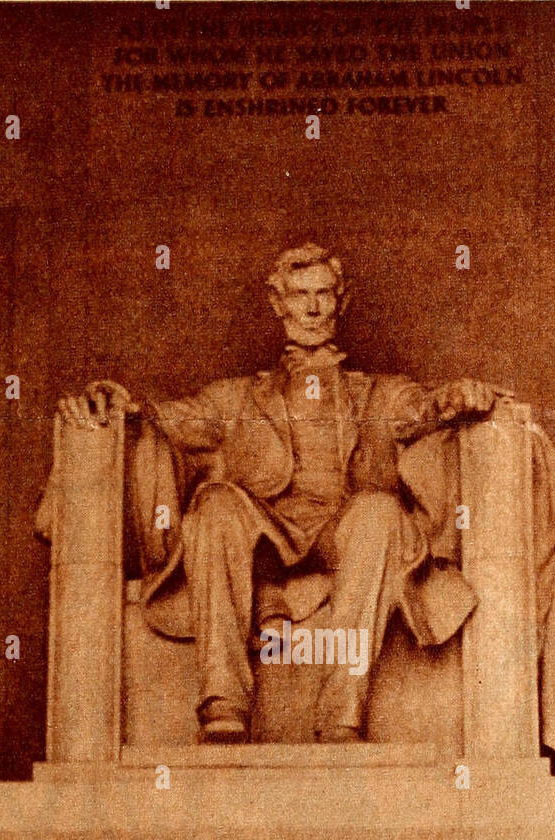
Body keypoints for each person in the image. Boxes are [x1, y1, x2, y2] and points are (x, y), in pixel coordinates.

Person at [58, 242, 510, 742]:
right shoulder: (236, 397)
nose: (313, 309)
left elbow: (424, 407)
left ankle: (342, 713)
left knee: (380, 512)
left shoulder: (380, 392)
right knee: (215, 504)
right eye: (299, 296)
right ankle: (222, 702)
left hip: (345, 535)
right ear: (278, 303)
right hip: (266, 538)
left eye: (323, 294)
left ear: (343, 300)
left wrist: (453, 397)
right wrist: (122, 407)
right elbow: (168, 420)